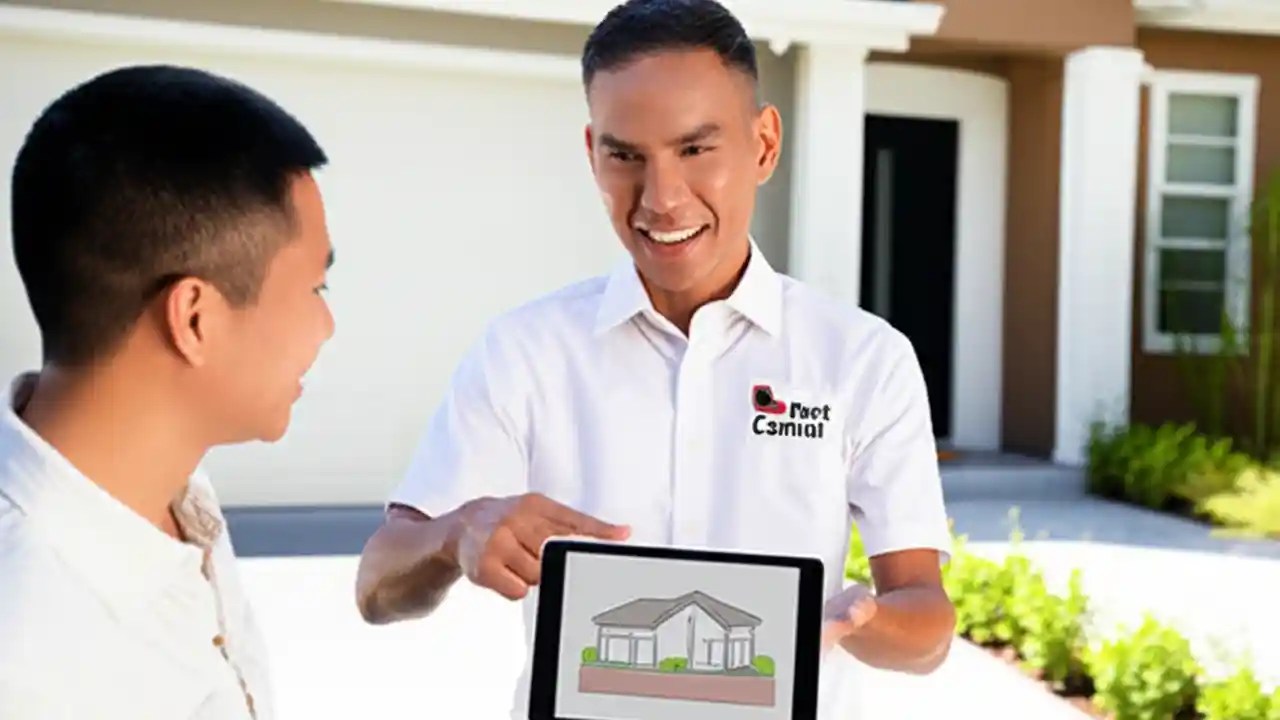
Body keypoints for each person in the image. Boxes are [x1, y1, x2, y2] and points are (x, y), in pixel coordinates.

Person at [355, 0, 955, 716]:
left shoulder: (864, 360)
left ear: (764, 145)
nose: (662, 199)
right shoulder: (526, 352)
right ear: (591, 153)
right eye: (625, 156)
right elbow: (377, 585)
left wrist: (860, 620)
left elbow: (927, 626)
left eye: (696, 149)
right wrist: (455, 535)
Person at [0, 65, 335, 719]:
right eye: (315, 290)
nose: (327, 326)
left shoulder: (175, 503)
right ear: (195, 320)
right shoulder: (27, 648)